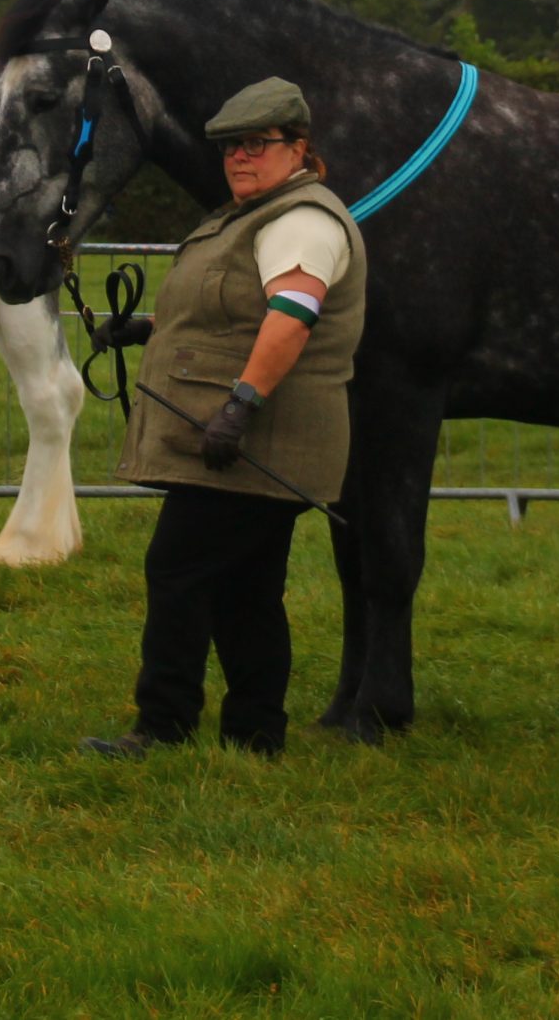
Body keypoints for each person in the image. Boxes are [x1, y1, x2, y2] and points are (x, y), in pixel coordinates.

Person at [82, 76, 367, 758]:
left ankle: (163, 725)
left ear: (298, 148)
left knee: (176, 568)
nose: (240, 157)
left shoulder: (302, 220)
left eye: (257, 144)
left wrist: (240, 406)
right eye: (230, 147)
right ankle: (255, 734)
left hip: (254, 440)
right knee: (248, 589)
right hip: (246, 440)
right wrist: (145, 327)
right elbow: (230, 312)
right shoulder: (258, 214)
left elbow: (292, 317)